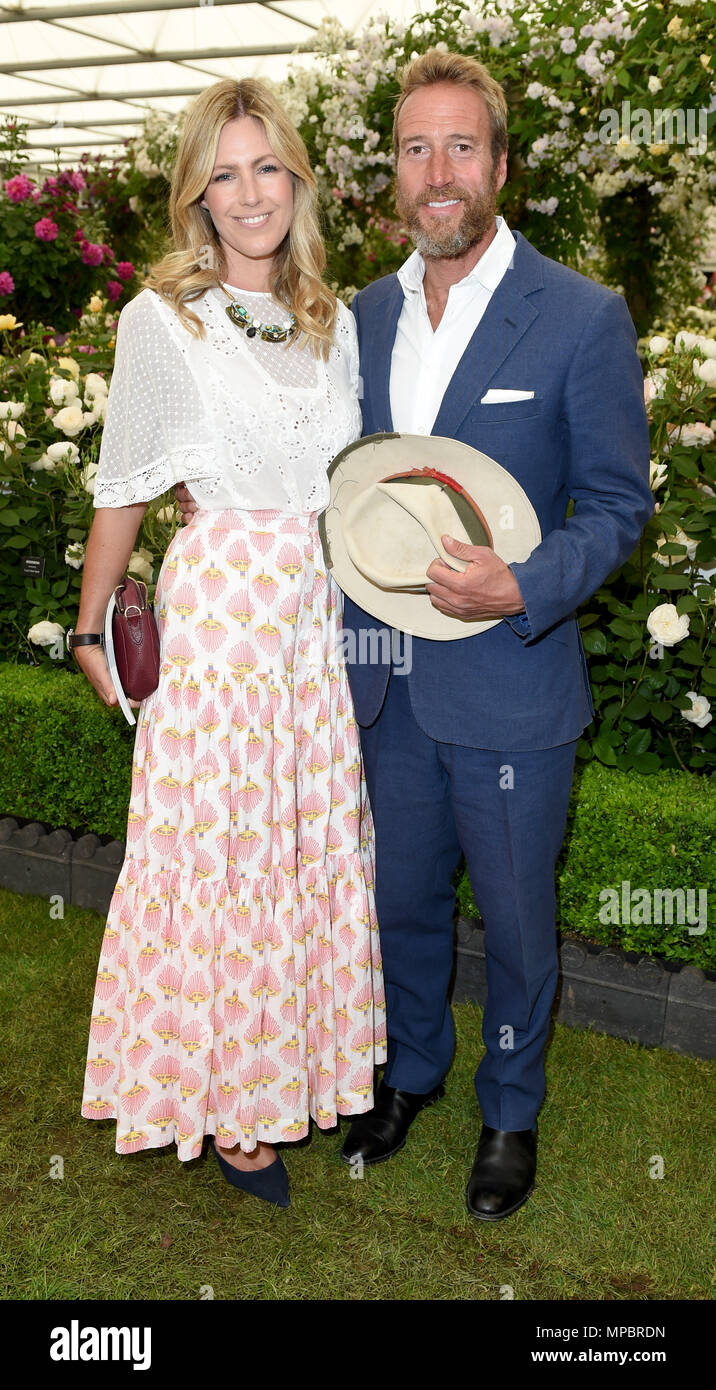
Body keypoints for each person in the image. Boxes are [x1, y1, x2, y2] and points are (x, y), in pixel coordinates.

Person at [176, 50, 654, 1221]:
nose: (435, 173)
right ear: (389, 172)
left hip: (511, 681)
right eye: (412, 149)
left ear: (498, 165)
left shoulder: (580, 317)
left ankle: (506, 1108)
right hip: (374, 686)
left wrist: (527, 582)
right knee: (395, 904)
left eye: (457, 147)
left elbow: (616, 504)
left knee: (514, 916)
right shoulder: (355, 319)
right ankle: (407, 1073)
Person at [73, 77, 386, 1210]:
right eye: (224, 171)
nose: (247, 191)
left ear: (294, 179)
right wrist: (88, 620)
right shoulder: (161, 321)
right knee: (218, 857)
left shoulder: (330, 318)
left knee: (301, 848)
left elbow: (345, 488)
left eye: (265, 167)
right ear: (196, 192)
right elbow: (124, 485)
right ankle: (215, 1102)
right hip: (216, 624)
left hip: (310, 623)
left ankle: (286, 1073)